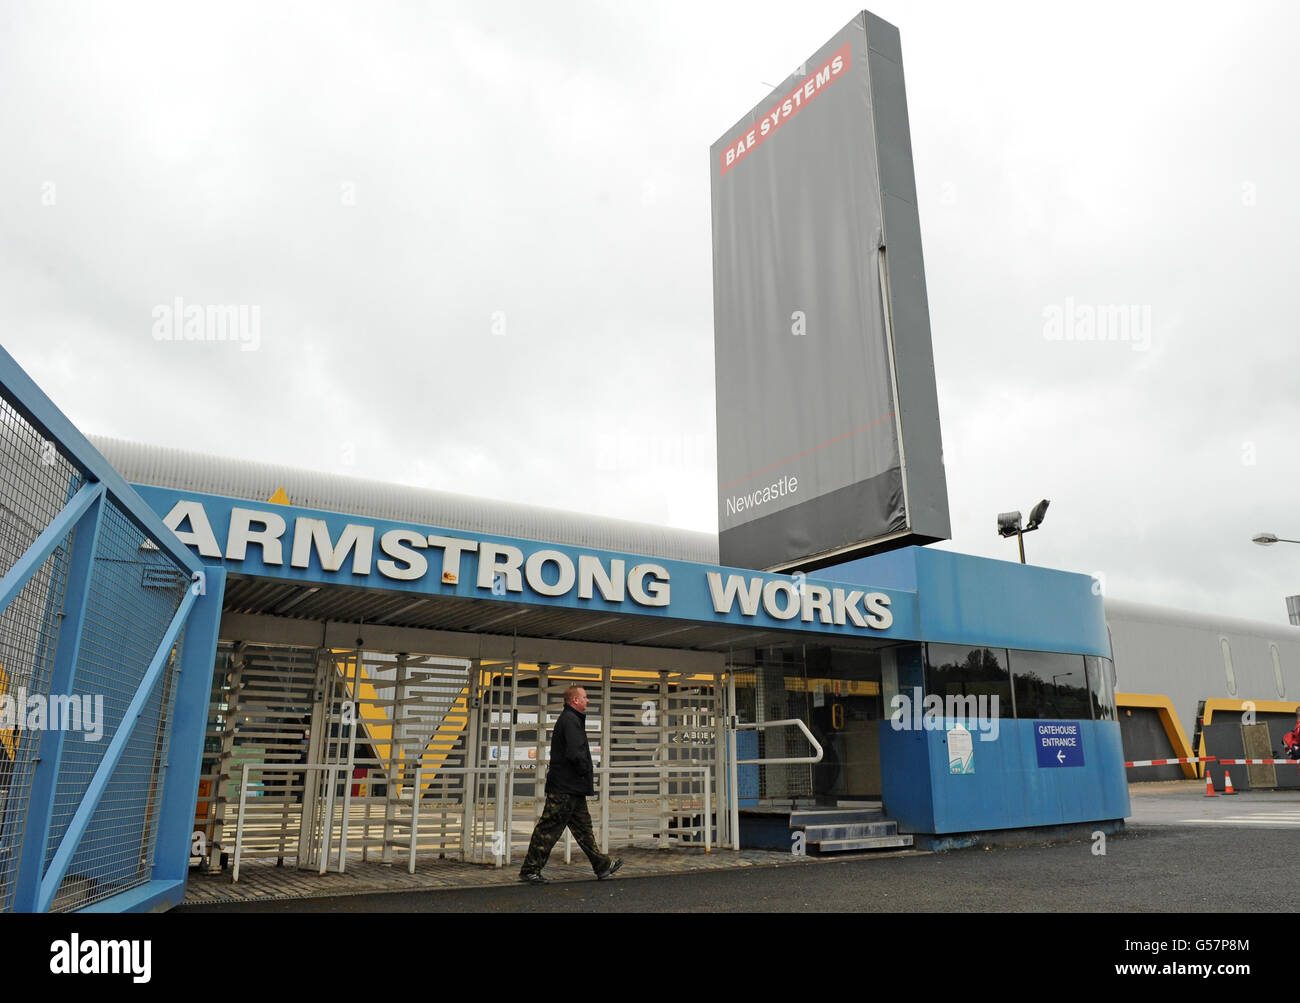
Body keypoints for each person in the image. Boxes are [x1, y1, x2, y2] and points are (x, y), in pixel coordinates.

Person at [518, 684, 622, 884]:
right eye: (585, 697)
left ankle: (602, 866)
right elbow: (575, 753)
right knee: (548, 829)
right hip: (565, 788)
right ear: (575, 700)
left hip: (572, 788)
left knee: (584, 830)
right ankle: (530, 870)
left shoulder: (571, 719)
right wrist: (585, 770)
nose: (588, 700)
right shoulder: (570, 721)